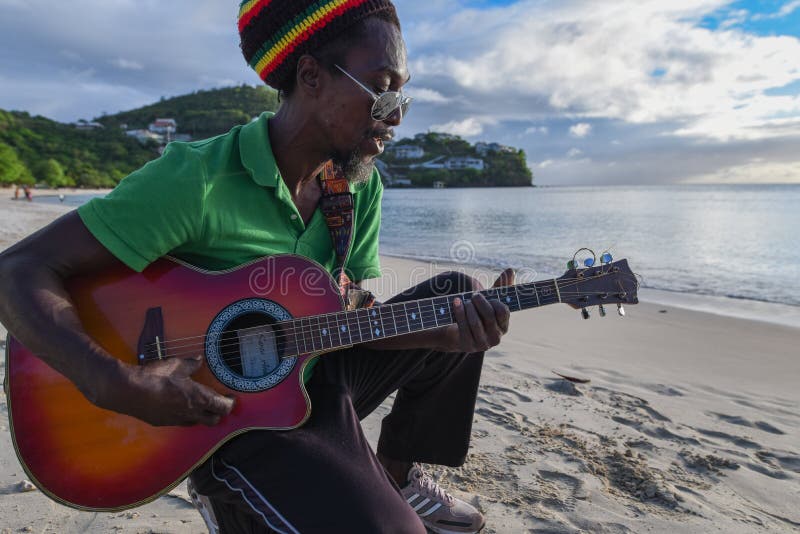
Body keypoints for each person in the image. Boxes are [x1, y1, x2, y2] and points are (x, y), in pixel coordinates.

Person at [0, 1, 513, 532]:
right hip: (228, 414)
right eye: (382, 90)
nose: (396, 115)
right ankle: (229, 493)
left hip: (312, 377)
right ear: (311, 76)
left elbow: (346, 315)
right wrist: (112, 382)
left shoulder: (359, 187)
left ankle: (396, 474)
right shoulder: (196, 180)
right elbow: (15, 271)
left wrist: (440, 337)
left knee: (458, 294)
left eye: (401, 96)